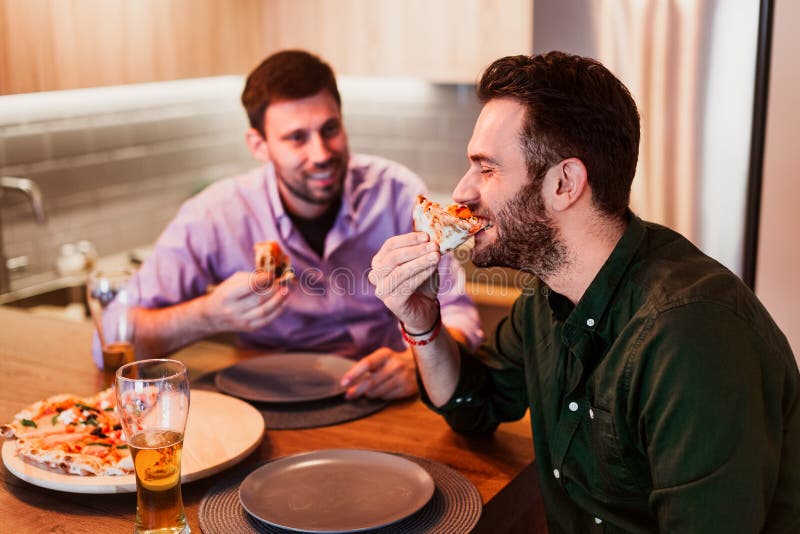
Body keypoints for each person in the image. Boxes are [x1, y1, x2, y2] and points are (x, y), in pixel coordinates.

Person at [369, 51, 800, 532]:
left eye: (486, 169)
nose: (463, 192)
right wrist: (421, 320)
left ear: (565, 184)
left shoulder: (692, 334)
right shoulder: (546, 296)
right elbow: (479, 403)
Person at [93, 50, 483, 400]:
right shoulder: (215, 215)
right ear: (258, 145)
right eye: (296, 138)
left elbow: (460, 315)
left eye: (330, 129)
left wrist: (415, 362)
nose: (321, 153)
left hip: (382, 398)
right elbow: (111, 340)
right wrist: (208, 315)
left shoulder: (397, 194)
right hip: (268, 404)